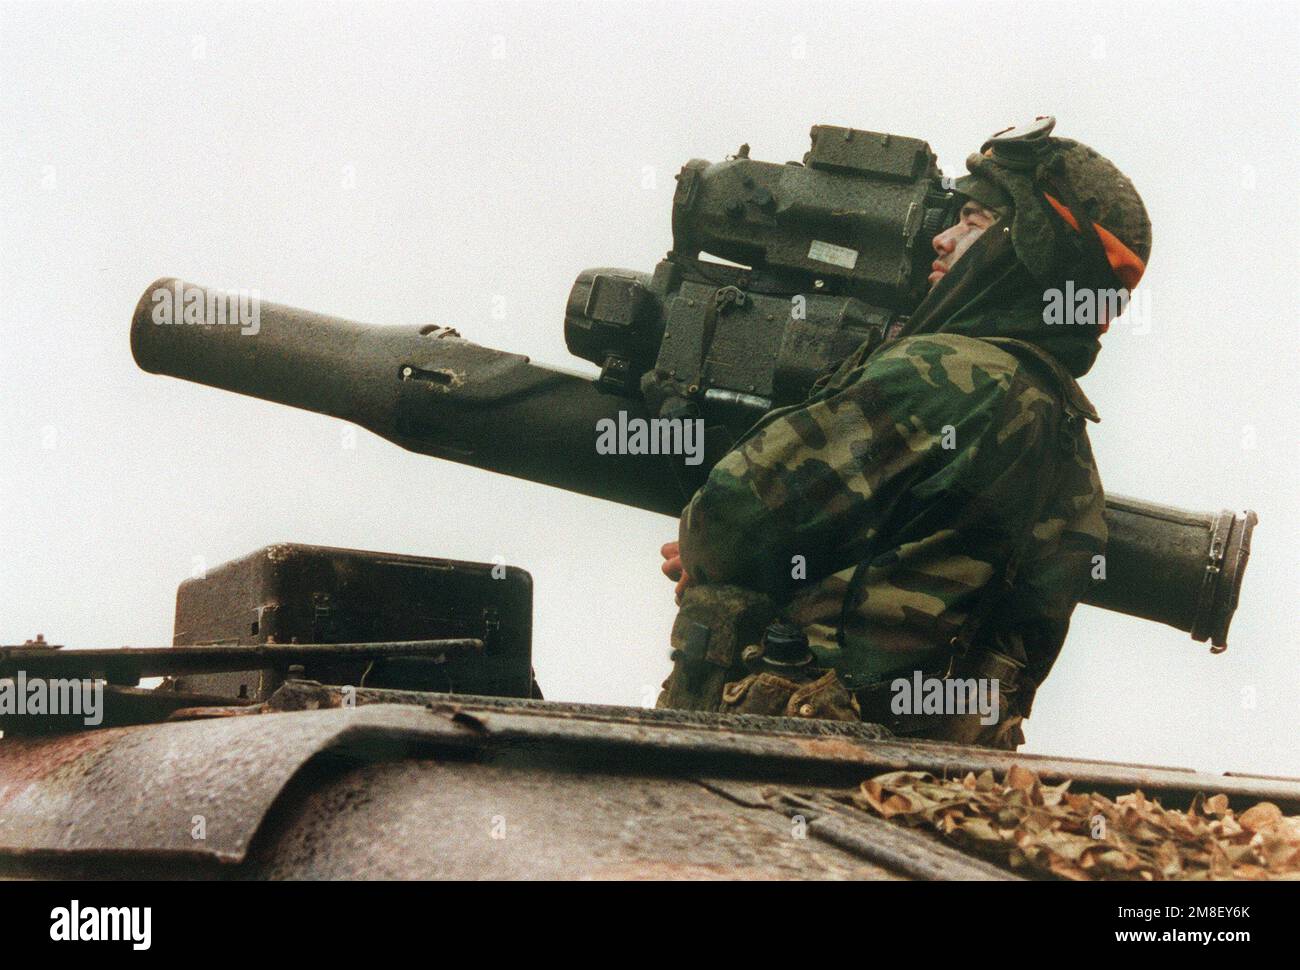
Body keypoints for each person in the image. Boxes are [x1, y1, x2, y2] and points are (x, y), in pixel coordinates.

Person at [656, 117, 1152, 749]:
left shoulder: (946, 374)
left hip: (784, 748)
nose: (942, 240)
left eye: (973, 223)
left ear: (1029, 254)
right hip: (925, 776)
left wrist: (704, 550)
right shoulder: (1064, 432)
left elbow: (730, 519)